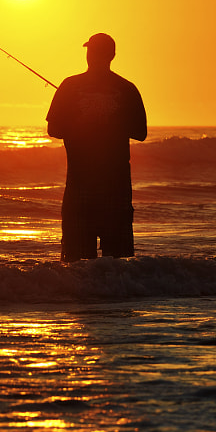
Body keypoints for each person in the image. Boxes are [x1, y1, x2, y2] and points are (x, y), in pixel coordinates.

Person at [46, 33, 147, 261]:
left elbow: (54, 129)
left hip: (89, 185)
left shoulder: (70, 86)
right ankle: (112, 295)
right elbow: (140, 132)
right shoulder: (127, 88)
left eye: (93, 51)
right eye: (90, 51)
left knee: (77, 261)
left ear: (109, 55)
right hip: (109, 185)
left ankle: (94, 295)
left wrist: (85, 123)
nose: (91, 56)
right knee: (117, 261)